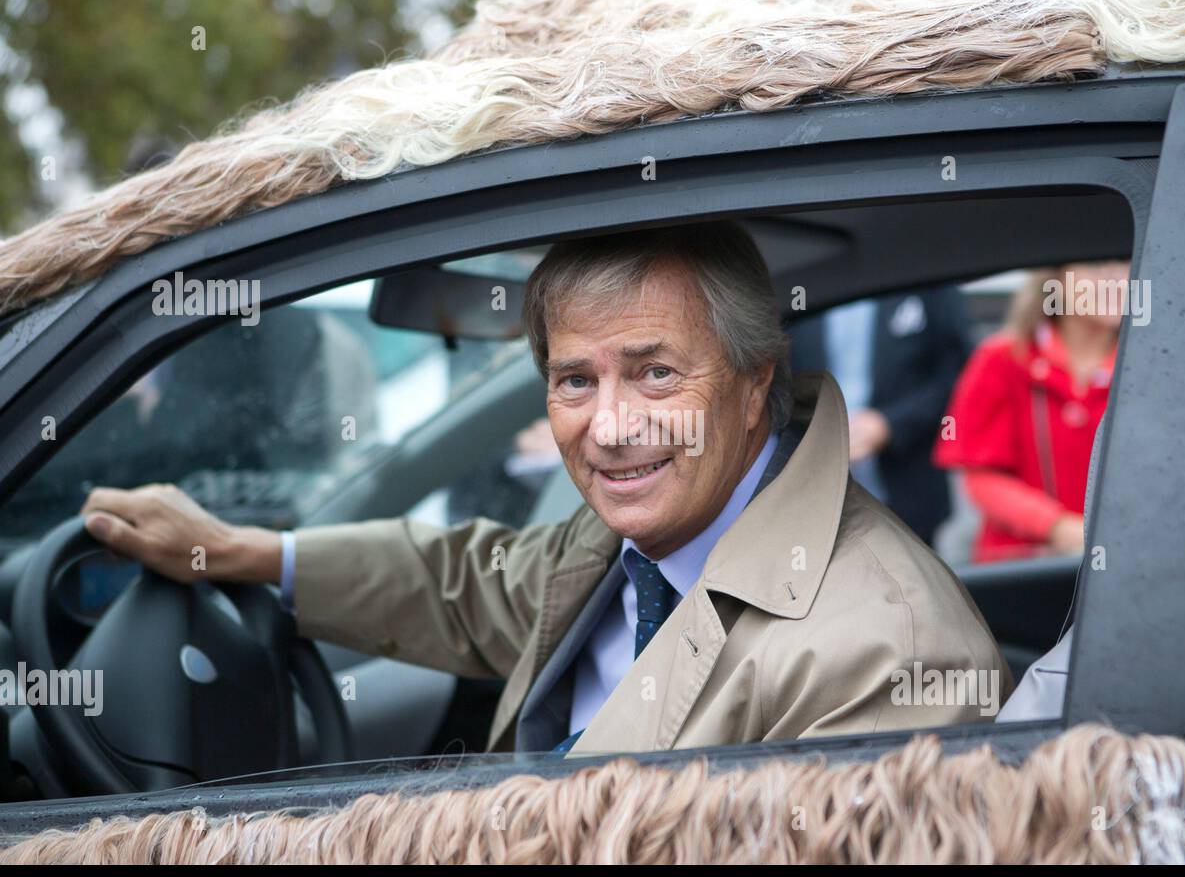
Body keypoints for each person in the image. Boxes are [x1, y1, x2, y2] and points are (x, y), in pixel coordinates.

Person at [80, 222, 1011, 755]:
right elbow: (466, 580)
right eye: (575, 380)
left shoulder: (885, 653)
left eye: (654, 374)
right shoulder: (629, 544)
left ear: (756, 379)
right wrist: (242, 553)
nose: (607, 428)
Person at [933, 261, 1128, 563]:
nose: (1115, 278)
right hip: (1023, 563)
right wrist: (1057, 527)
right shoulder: (1001, 358)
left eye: (1125, 264)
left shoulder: (1149, 363)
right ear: (1055, 277)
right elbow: (980, 476)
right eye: (1095, 265)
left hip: (1123, 560)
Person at [788, 287, 971, 546]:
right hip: (819, 494)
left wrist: (891, 424)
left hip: (908, 490)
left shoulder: (923, 279)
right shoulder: (807, 286)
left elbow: (957, 372)